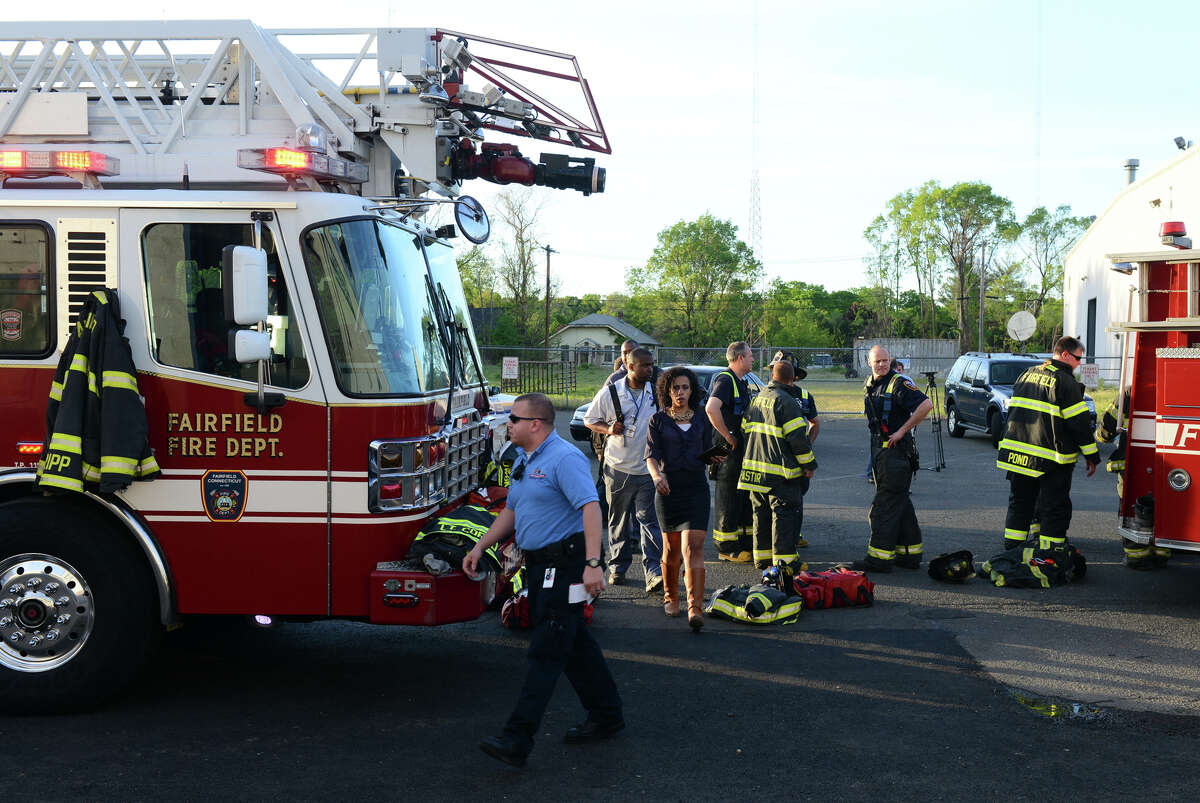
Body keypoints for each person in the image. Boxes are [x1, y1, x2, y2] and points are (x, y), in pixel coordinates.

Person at [464, 393, 623, 768]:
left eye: (514, 419)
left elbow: (591, 508)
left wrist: (593, 564)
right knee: (574, 644)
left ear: (535, 424)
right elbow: (513, 511)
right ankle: (607, 714)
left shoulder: (564, 459)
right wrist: (480, 546)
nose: (509, 425)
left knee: (546, 651)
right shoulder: (525, 459)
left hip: (565, 567)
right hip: (538, 569)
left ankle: (517, 738)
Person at [996, 336, 1099, 552]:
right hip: (1051, 458)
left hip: (1018, 455)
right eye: (1078, 358)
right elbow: (1079, 424)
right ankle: (1050, 553)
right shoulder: (1065, 381)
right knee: (1054, 506)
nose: (1079, 363)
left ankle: (1013, 549)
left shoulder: (1026, 374)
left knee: (1021, 503)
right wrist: (1092, 455)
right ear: (1065, 355)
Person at [645, 366, 721, 631]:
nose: (680, 392)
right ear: (667, 390)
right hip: (668, 490)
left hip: (696, 489)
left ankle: (695, 608)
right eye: (675, 387)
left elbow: (708, 452)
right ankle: (671, 596)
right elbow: (652, 456)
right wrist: (656, 476)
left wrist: (717, 455)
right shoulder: (657, 420)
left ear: (692, 390)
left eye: (685, 387)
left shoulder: (701, 419)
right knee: (671, 549)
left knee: (693, 547)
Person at [584, 347, 664, 592]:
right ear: (630, 366)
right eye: (645, 366)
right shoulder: (611, 392)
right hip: (618, 469)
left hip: (647, 470)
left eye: (652, 365)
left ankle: (653, 572)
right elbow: (589, 419)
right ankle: (618, 566)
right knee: (618, 521)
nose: (650, 370)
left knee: (648, 521)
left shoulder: (657, 393)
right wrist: (609, 429)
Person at [855, 345, 933, 572]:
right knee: (900, 504)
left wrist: (902, 431)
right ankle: (909, 555)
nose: (881, 364)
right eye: (877, 361)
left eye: (885, 360)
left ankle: (878, 558)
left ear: (890, 360)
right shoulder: (871, 383)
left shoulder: (899, 383)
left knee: (884, 506)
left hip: (896, 454)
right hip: (881, 453)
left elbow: (926, 405)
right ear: (868, 362)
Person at [738, 360, 817, 570]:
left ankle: (762, 559)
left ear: (772, 376)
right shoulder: (787, 402)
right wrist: (809, 465)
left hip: (754, 471)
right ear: (792, 380)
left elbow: (745, 429)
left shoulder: (757, 398)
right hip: (780, 473)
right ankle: (785, 563)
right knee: (784, 515)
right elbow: (799, 440)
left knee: (761, 515)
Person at [1093, 387, 1165, 568]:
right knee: (1166, 503)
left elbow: (1109, 422)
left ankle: (1137, 555)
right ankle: (1162, 552)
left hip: (1134, 461)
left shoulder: (1133, 390)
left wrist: (1101, 436)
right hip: (1171, 462)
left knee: (1133, 502)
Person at [705, 341, 755, 562]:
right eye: (751, 355)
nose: (753, 359)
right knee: (727, 497)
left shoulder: (740, 382)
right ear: (740, 358)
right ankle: (725, 547)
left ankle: (744, 542)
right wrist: (727, 436)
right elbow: (711, 408)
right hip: (725, 449)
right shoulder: (725, 380)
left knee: (740, 496)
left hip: (738, 450)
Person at [771, 351, 820, 528]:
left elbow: (815, 423)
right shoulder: (767, 395)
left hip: (796, 459)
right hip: (772, 458)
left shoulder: (804, 396)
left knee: (795, 498)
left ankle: (794, 536)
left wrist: (807, 445)